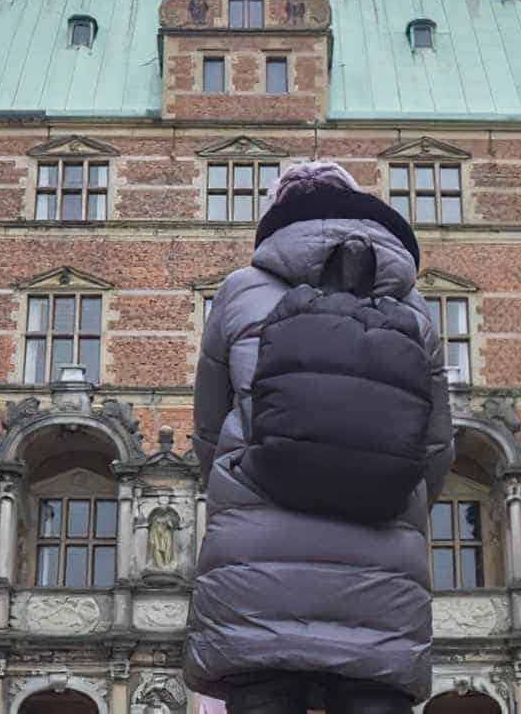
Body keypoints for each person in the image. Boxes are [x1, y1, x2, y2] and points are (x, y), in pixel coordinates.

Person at [186, 161, 453, 714]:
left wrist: (245, 478)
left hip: (256, 564)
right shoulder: (413, 307)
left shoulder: (239, 290)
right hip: (382, 570)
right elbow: (435, 450)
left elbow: (210, 430)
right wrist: (391, 496)